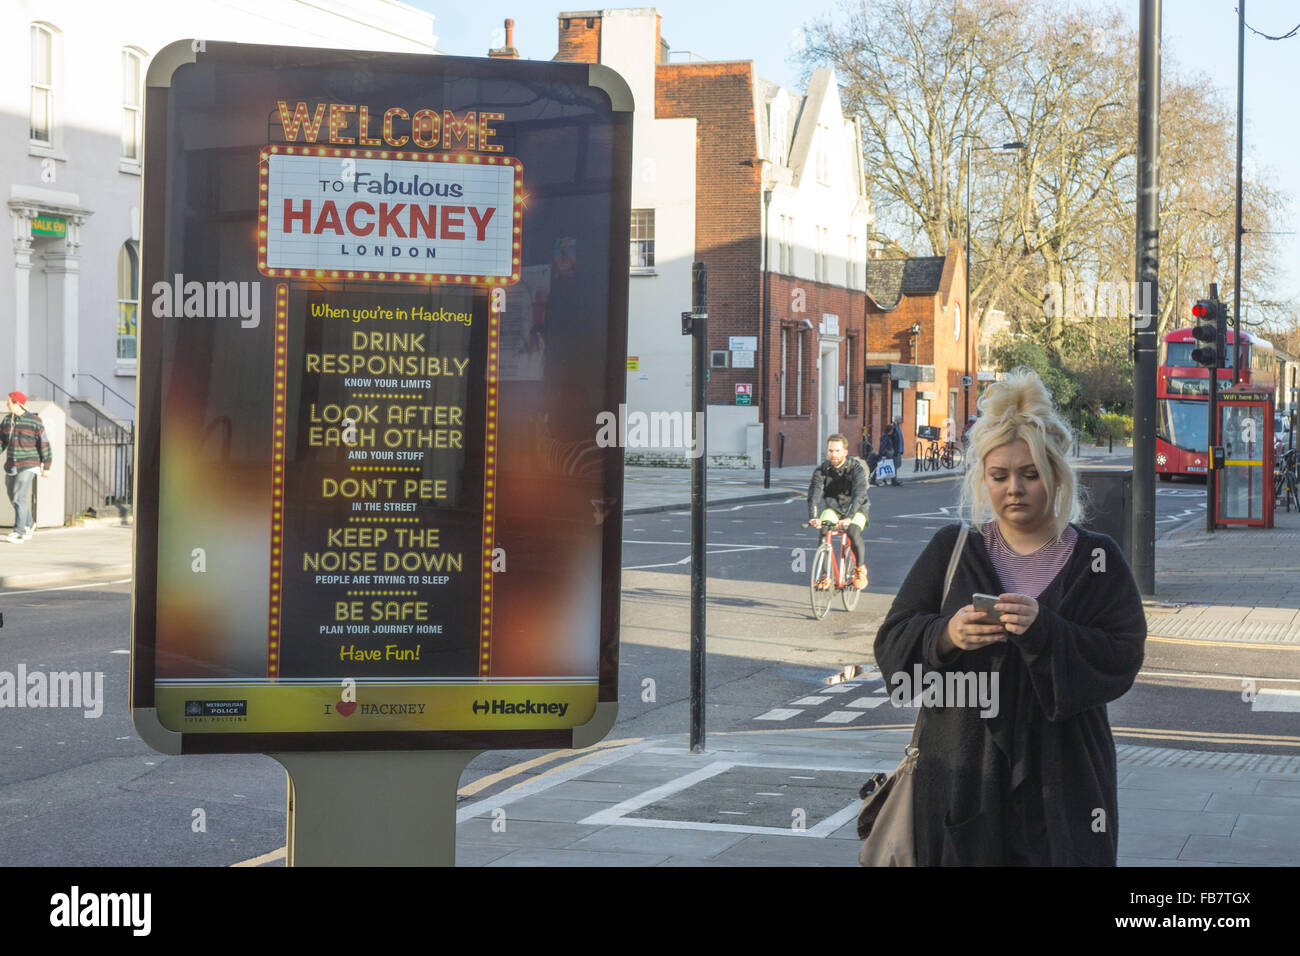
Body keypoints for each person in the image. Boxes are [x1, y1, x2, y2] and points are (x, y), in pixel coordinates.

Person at [872, 367, 1146, 866]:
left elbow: (1123, 655)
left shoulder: (1097, 559)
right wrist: (944, 635)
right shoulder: (951, 549)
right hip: (959, 784)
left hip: (1065, 791)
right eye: (999, 476)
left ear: (1057, 475)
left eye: (1030, 474)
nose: (1014, 489)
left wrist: (1047, 632)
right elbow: (891, 648)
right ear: (983, 479)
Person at [808, 434, 870, 590]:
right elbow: (814, 494)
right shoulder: (822, 470)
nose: (833, 454)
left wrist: (849, 517)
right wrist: (813, 517)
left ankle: (859, 569)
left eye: (837, 451)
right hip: (834, 508)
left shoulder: (856, 469)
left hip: (857, 508)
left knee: (852, 532)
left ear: (845, 452)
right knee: (823, 531)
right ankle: (824, 575)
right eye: (830, 451)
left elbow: (859, 494)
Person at [1, 391, 52, 543]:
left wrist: (46, 466)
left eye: (9, 401)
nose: (6, 404)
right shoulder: (7, 420)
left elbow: (44, 444)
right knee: (13, 497)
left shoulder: (34, 421)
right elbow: (1, 442)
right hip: (11, 465)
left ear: (17, 403)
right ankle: (29, 523)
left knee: (19, 497)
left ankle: (19, 531)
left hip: (29, 464)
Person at [883, 415, 904, 486]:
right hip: (895, 449)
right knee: (895, 464)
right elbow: (890, 438)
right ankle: (894, 480)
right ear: (897, 420)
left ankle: (891, 478)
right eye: (900, 420)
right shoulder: (893, 427)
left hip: (899, 449)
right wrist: (892, 449)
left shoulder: (898, 427)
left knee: (898, 464)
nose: (901, 421)